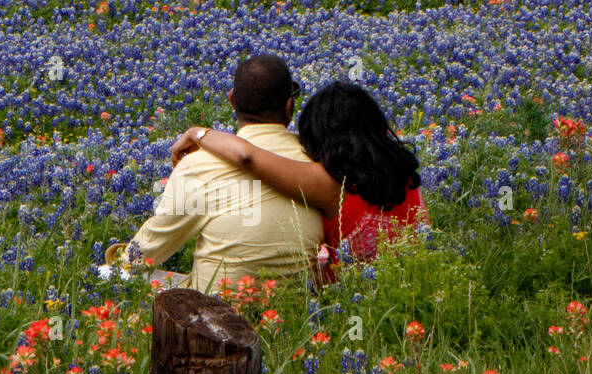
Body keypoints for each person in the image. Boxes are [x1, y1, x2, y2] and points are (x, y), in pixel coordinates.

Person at [106, 54, 323, 294]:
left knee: (114, 276)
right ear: (289, 106)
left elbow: (143, 255)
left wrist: (117, 261)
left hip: (213, 313)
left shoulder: (199, 164)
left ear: (232, 100)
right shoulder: (317, 162)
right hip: (297, 310)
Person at [169, 78, 427, 278]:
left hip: (343, 300)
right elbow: (422, 237)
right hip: (408, 285)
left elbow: (247, 157)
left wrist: (198, 133)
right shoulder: (405, 176)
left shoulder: (328, 184)